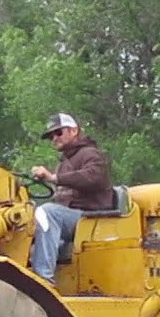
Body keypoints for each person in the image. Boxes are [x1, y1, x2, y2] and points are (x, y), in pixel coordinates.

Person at [28, 112, 115, 284]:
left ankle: (42, 281)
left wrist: (53, 178)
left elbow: (93, 178)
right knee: (27, 220)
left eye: (59, 132)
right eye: (51, 136)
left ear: (74, 130)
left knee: (48, 212)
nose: (54, 138)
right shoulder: (64, 162)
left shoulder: (91, 153)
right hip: (73, 220)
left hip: (91, 219)